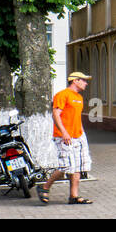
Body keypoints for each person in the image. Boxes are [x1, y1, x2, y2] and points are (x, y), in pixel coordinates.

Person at [39, 71, 93, 204]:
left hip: (78, 136)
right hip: (64, 137)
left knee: (78, 166)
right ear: (75, 81)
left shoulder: (79, 98)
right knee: (65, 166)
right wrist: (64, 132)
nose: (86, 83)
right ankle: (44, 187)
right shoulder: (62, 95)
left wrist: (82, 134)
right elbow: (56, 114)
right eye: (84, 80)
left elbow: (77, 118)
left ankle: (73, 196)